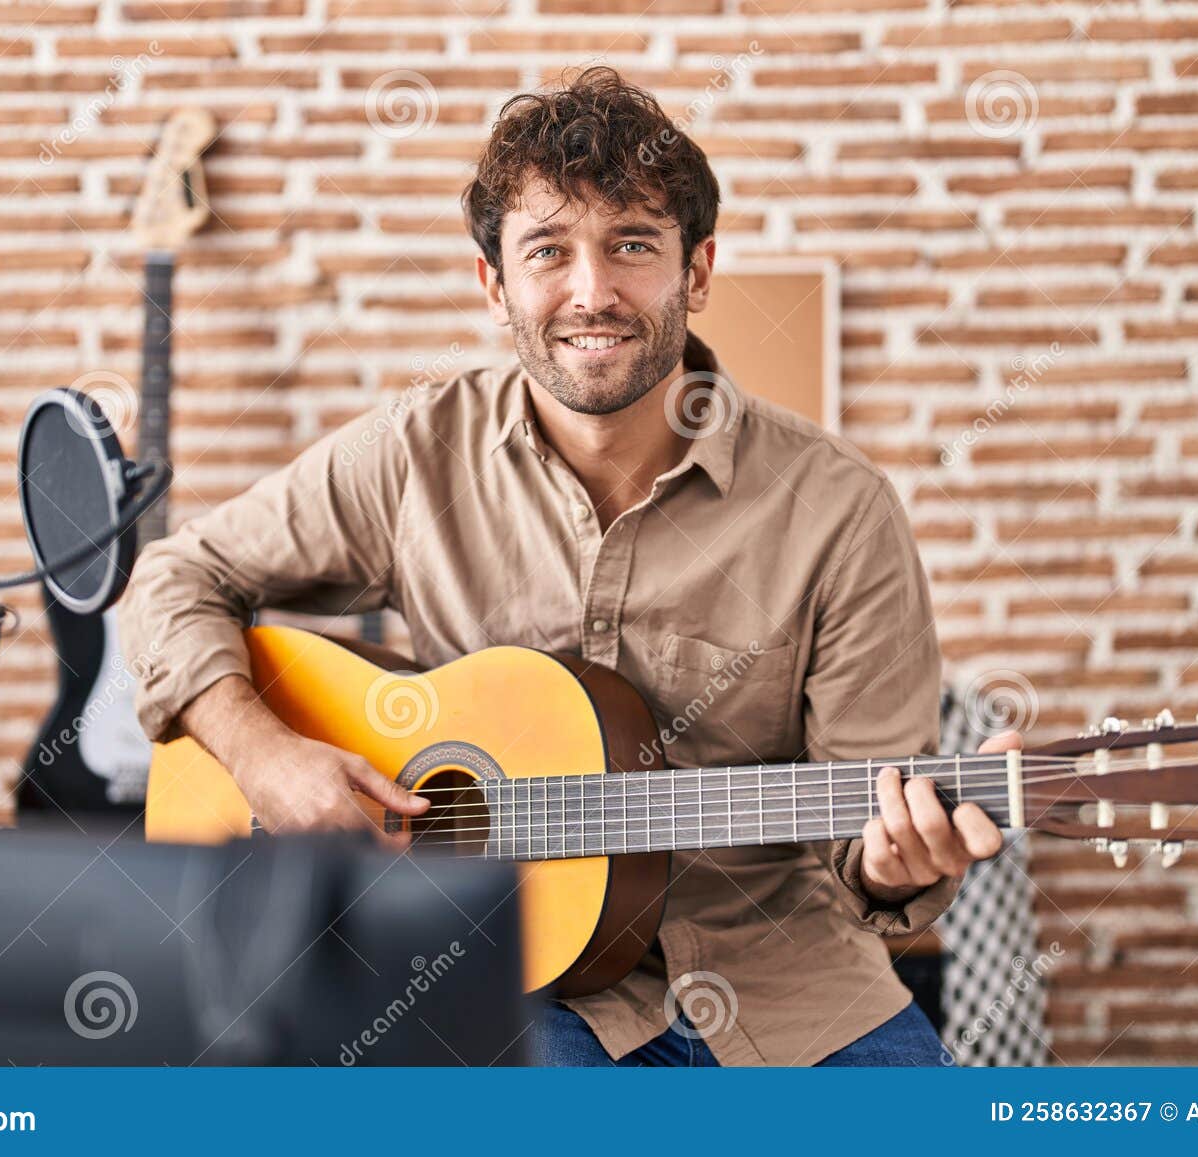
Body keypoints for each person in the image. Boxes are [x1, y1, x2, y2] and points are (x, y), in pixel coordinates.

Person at [118, 66, 1012, 1067]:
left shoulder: (840, 509)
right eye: (549, 251)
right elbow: (171, 577)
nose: (592, 292)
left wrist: (895, 865)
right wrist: (263, 753)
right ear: (494, 285)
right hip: (495, 966)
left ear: (698, 271)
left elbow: (874, 847)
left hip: (785, 982)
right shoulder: (415, 454)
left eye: (633, 244)